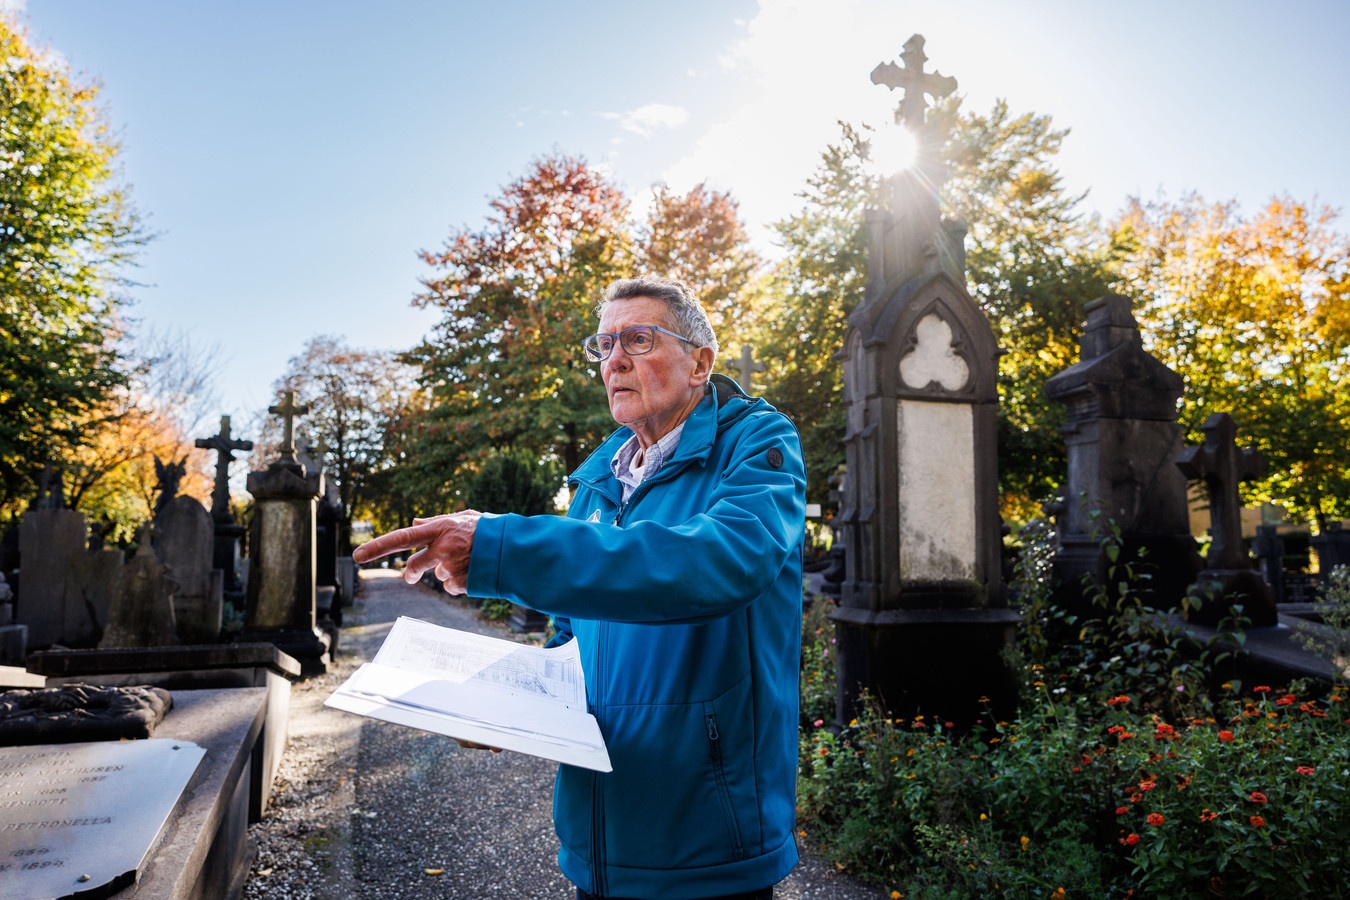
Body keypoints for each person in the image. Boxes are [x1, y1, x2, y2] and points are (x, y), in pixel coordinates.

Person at [353, 276, 806, 900]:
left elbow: (721, 561)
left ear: (700, 362)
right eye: (604, 344)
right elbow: (571, 633)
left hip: (706, 836)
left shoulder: (757, 444)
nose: (614, 359)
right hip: (594, 838)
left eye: (638, 339)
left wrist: (501, 545)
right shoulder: (598, 480)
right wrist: (512, 710)